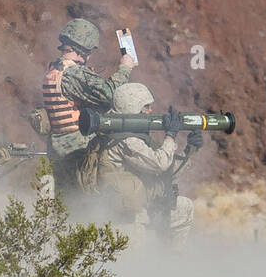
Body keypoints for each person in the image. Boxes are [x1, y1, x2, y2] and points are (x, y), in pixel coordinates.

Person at [84, 82, 199, 246]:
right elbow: (159, 164)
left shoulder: (113, 132)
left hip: (137, 205)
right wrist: (171, 135)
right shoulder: (127, 140)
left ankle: (172, 263)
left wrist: (190, 150)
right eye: (146, 107)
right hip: (125, 217)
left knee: (183, 207)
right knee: (135, 267)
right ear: (133, 108)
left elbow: (166, 171)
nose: (150, 111)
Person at [37, 18, 136, 190]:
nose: (89, 56)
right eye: (89, 51)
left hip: (59, 148)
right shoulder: (73, 73)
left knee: (67, 203)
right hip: (78, 150)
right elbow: (108, 95)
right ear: (82, 49)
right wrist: (124, 69)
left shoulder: (55, 69)